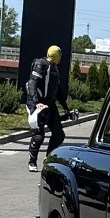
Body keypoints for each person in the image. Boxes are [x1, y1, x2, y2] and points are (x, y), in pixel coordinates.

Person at [25, 45, 70, 173]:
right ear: (56, 55)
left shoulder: (54, 68)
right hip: (37, 104)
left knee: (59, 134)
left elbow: (57, 90)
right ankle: (32, 161)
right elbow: (31, 83)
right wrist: (36, 102)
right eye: (59, 54)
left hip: (49, 103)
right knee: (39, 135)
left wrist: (66, 108)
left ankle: (48, 158)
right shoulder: (41, 64)